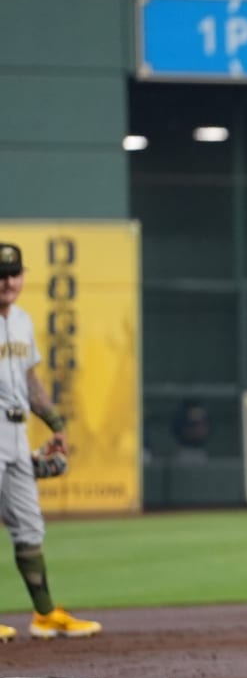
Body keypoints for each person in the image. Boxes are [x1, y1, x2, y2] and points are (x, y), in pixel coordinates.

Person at [0, 243, 102, 643]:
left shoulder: (22, 321)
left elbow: (30, 381)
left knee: (29, 526)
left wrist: (56, 424)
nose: (7, 282)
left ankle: (44, 614)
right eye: (0, 274)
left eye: (13, 274)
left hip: (17, 429)